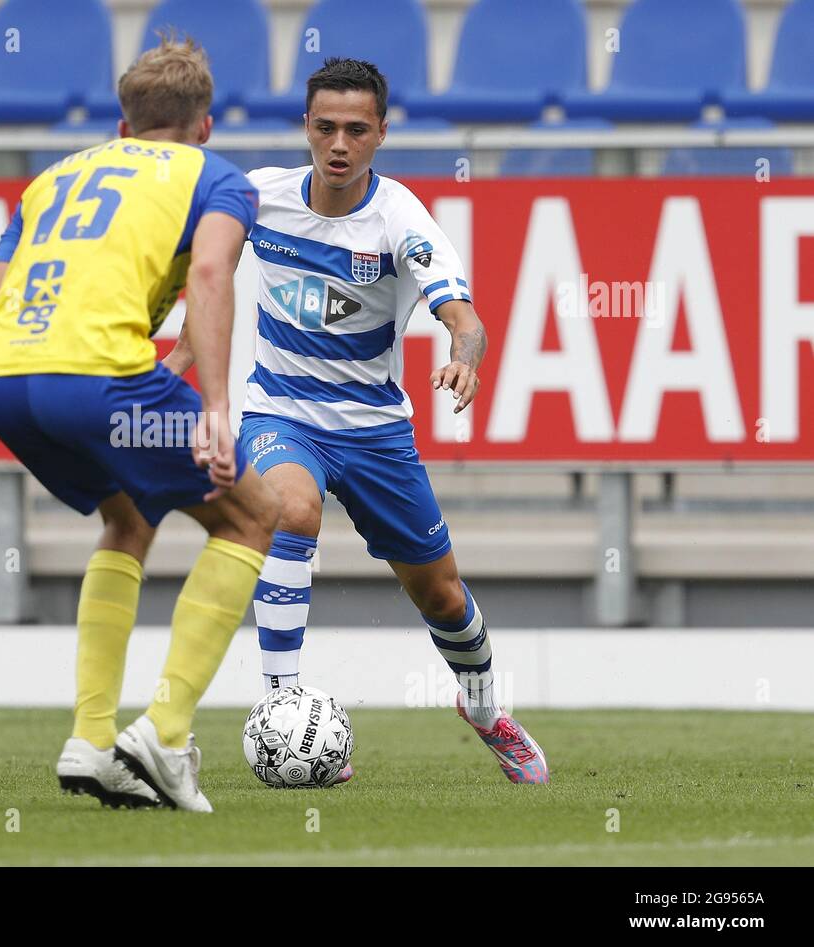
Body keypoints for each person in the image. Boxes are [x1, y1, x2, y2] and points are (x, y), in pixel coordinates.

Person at [165, 58, 549, 785]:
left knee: (440, 592)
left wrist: (464, 355)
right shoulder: (259, 199)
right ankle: (284, 706)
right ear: (306, 129)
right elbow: (205, 274)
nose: (338, 144)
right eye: (324, 127)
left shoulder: (401, 219)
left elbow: (463, 318)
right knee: (288, 508)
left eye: (355, 130)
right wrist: (182, 351)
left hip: (374, 431)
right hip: (281, 412)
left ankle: (484, 709)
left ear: (381, 134)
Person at [0, 37, 280, 812]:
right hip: (96, 381)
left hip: (10, 389)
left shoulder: (51, 181)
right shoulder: (215, 178)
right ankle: (165, 732)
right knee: (256, 517)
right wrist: (218, 413)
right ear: (206, 126)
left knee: (127, 520)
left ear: (123, 128)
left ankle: (91, 741)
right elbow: (214, 274)